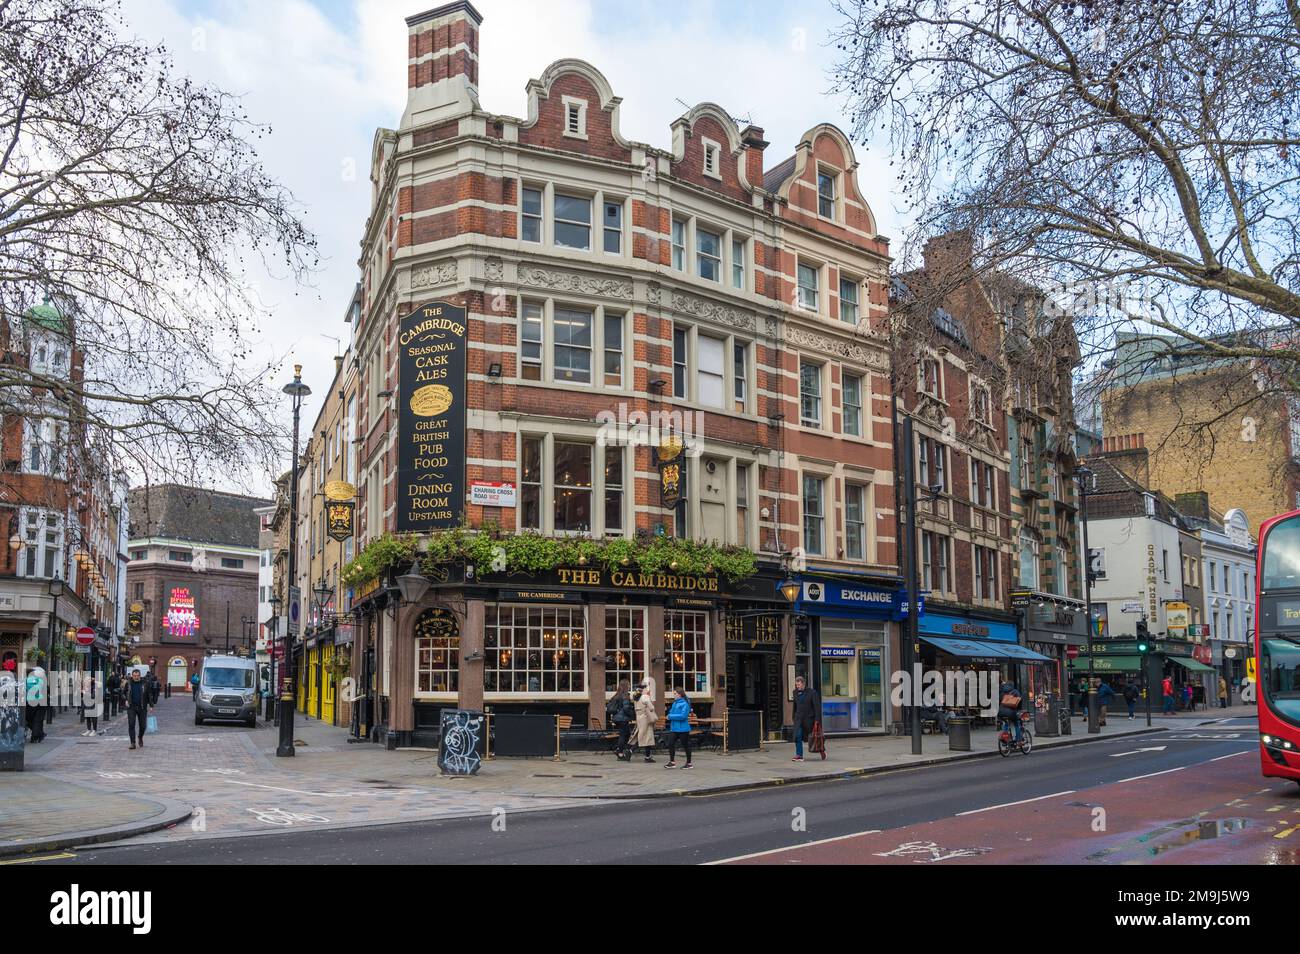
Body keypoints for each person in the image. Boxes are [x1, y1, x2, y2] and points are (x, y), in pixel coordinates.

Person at [791, 674, 822, 761]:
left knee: (814, 738)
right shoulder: (795, 692)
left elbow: (817, 707)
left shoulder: (812, 692)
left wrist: (817, 720)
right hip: (798, 719)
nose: (797, 687)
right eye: (796, 685)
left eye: (799, 685)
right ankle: (799, 755)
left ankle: (821, 749)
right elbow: (795, 706)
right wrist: (794, 717)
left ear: (803, 684)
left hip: (809, 720)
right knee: (797, 736)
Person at [606, 679, 636, 761]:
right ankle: (620, 752)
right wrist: (632, 714)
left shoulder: (617, 695)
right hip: (623, 719)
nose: (630, 686)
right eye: (629, 685)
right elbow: (626, 708)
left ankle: (621, 750)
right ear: (626, 686)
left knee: (626, 734)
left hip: (616, 718)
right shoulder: (625, 695)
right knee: (624, 735)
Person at [664, 686, 693, 769]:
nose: (674, 695)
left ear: (680, 694)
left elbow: (683, 716)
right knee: (670, 744)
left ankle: (689, 763)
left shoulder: (685, 704)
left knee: (686, 745)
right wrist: (668, 711)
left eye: (675, 693)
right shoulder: (675, 703)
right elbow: (672, 713)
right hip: (674, 728)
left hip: (683, 729)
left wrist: (670, 716)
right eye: (674, 694)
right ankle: (672, 762)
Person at [125, 669, 153, 750]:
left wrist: (151, 705)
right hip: (131, 707)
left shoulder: (145, 683)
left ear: (140, 676)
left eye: (137, 676)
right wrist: (126, 700)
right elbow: (124, 693)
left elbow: (149, 694)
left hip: (142, 707)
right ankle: (132, 743)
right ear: (132, 676)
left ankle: (140, 737)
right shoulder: (128, 683)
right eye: (134, 676)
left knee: (143, 726)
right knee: (131, 724)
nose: (136, 677)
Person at [634, 681, 656, 763]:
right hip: (646, 719)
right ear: (644, 688)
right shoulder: (645, 696)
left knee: (641, 736)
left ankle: (630, 750)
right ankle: (647, 757)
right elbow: (651, 708)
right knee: (647, 738)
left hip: (639, 718)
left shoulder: (636, 696)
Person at [24, 664, 47, 743]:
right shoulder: (41, 681)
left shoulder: (27, 680)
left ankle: (38, 734)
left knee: (29, 719)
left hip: (29, 702)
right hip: (40, 702)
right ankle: (36, 736)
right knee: (38, 720)